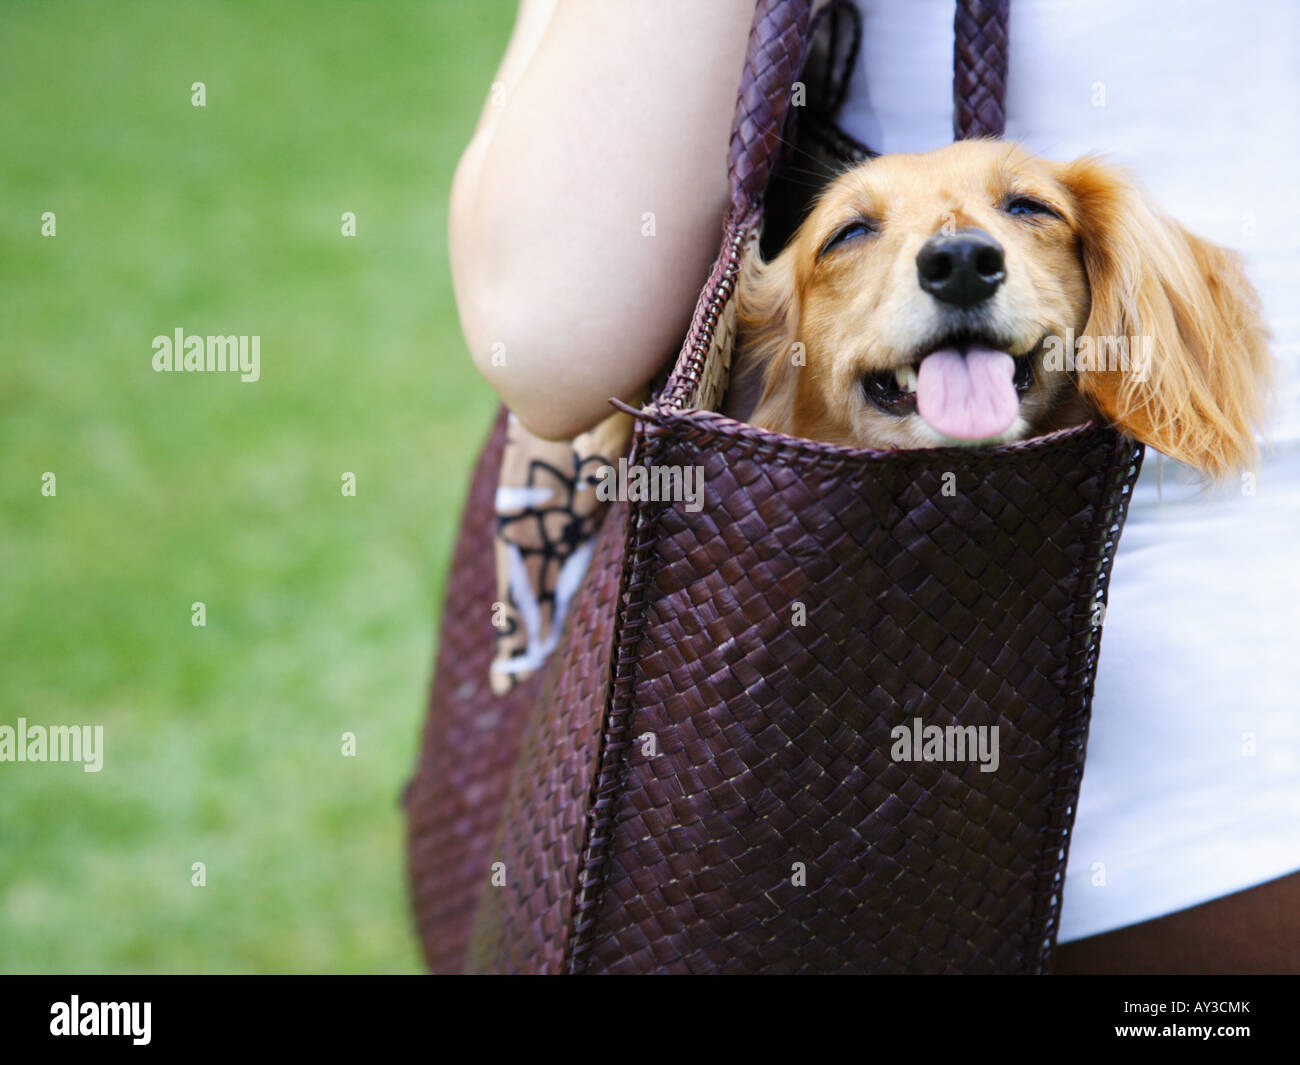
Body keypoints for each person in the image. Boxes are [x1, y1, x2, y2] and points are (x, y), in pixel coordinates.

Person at [449, 0, 1300, 973]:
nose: (961, 249)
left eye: (1024, 212)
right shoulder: (778, 356)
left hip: (1189, 828)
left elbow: (552, 321)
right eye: (854, 233)